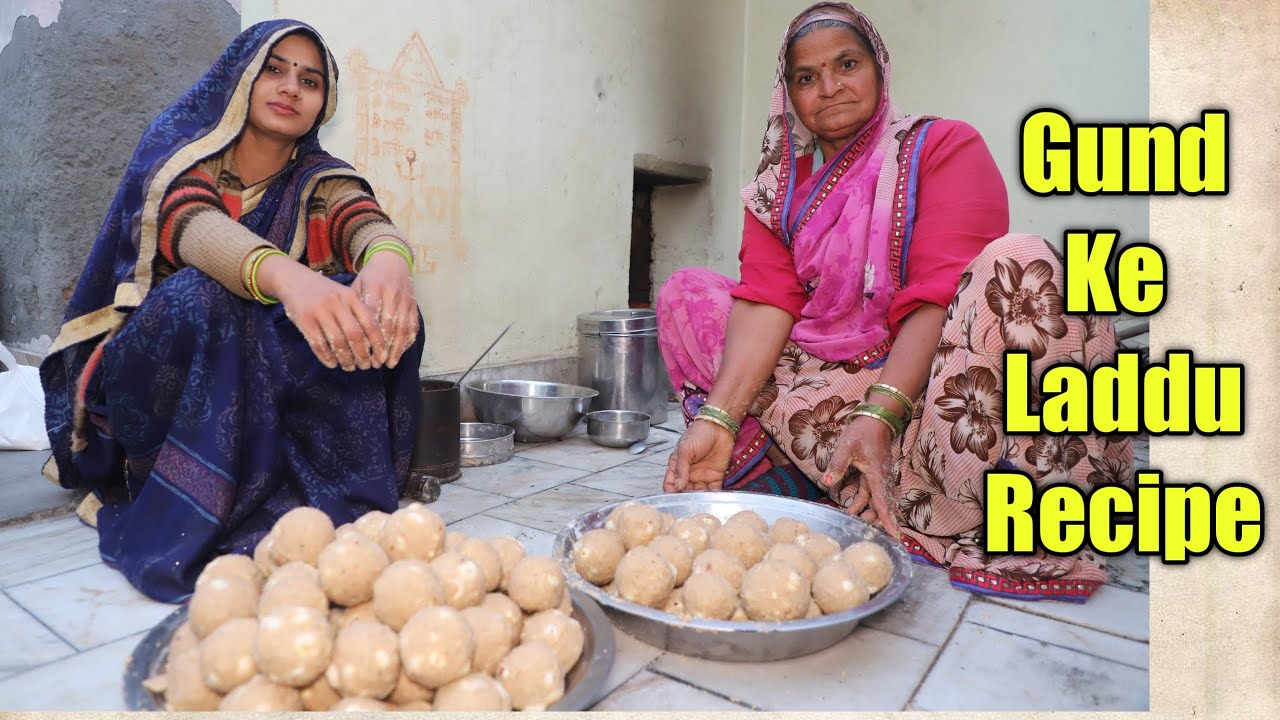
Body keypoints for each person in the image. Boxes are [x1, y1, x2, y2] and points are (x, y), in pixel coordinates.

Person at [657, 2, 1134, 602]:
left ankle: (922, 483)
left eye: (846, 64)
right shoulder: (775, 193)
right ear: (789, 95)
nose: (828, 88)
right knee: (690, 294)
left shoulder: (943, 147)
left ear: (878, 69)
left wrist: (881, 412)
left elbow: (941, 297)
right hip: (828, 382)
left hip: (933, 373)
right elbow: (769, 301)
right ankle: (793, 461)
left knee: (1022, 260)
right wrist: (718, 419)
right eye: (806, 77)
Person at [39, 20, 424, 602]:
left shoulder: (317, 178)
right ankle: (188, 495)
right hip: (153, 381)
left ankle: (318, 493)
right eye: (274, 69)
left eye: (310, 80)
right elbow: (196, 227)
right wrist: (290, 280)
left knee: (379, 310)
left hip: (255, 378)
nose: (291, 87)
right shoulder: (178, 154)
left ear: (323, 103)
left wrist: (390, 264)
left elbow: (360, 220)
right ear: (239, 75)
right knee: (205, 296)